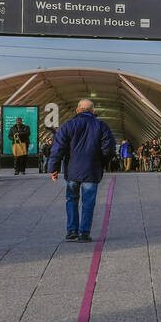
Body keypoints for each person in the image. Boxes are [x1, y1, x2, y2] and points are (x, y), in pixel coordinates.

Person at [47, 99, 116, 243]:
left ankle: (72, 231)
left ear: (77, 110)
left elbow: (57, 148)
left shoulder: (68, 126)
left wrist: (53, 168)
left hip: (72, 171)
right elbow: (109, 149)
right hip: (92, 170)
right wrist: (102, 162)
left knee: (71, 199)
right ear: (93, 111)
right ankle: (84, 233)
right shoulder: (101, 126)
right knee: (88, 202)